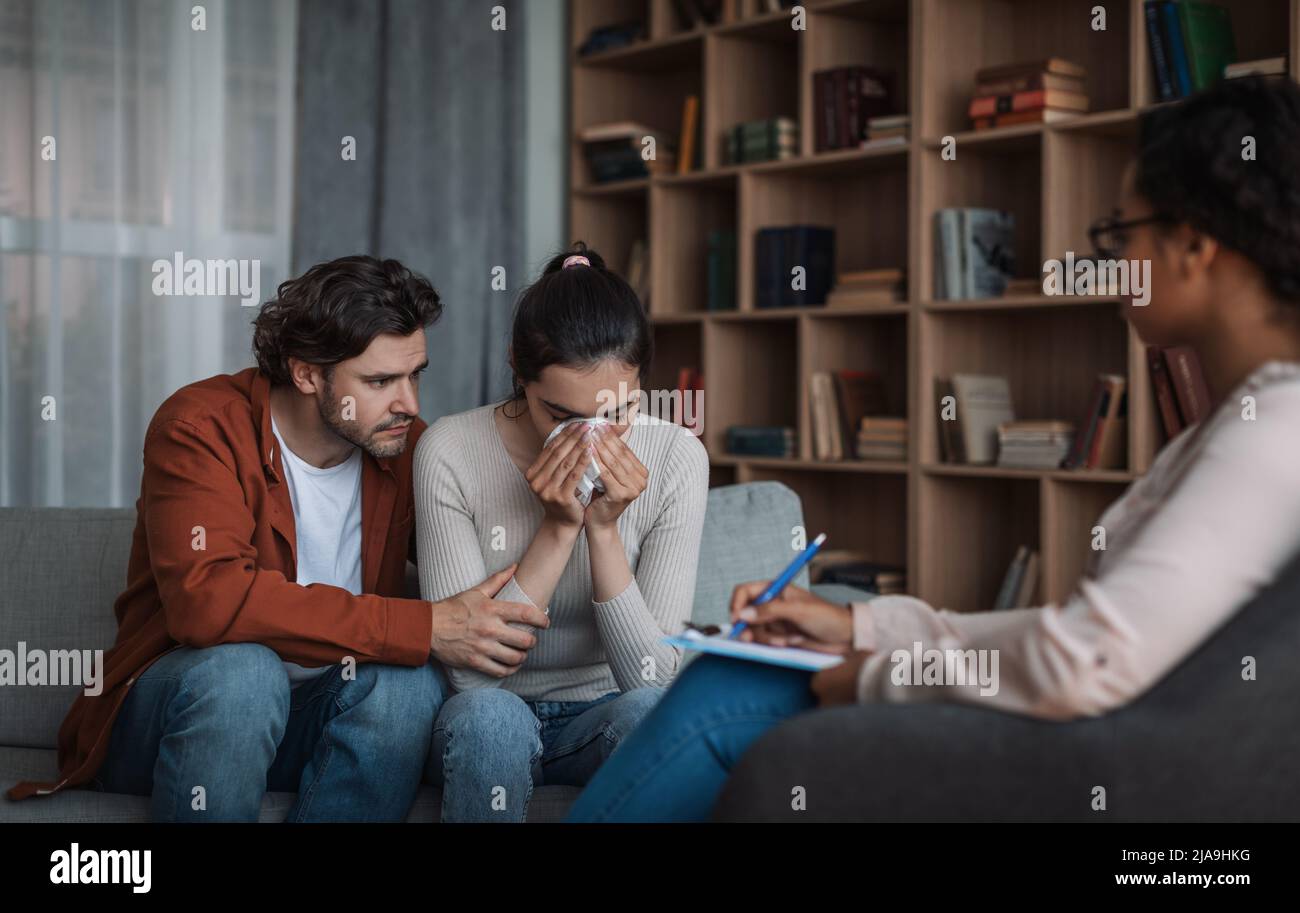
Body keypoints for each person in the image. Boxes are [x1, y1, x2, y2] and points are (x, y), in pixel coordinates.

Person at [567, 75, 1300, 822]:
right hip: (1083, 738)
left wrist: (875, 675)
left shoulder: (1271, 435)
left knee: (727, 697)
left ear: (1195, 245)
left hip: (1087, 768)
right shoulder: (1241, 425)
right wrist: (861, 626)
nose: (1108, 264)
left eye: (1121, 236)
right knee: (731, 681)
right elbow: (1083, 629)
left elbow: (1086, 661)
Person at [7, 255, 546, 822]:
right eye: (380, 381)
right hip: (178, 716)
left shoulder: (404, 447)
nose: (409, 404)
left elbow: (487, 573)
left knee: (407, 686)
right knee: (245, 673)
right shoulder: (201, 426)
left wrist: (570, 507)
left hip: (312, 718)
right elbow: (207, 605)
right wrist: (422, 626)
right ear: (308, 373)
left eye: (415, 375)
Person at [414, 244, 709, 822]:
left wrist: (603, 531)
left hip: (603, 709)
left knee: (654, 714)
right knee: (488, 721)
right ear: (519, 376)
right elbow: (470, 677)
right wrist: (557, 526)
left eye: (616, 413)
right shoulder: (449, 450)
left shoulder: (676, 456)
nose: (592, 441)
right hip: (487, 710)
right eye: (563, 417)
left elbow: (650, 680)